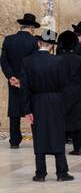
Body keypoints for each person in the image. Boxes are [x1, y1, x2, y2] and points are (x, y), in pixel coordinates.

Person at [19, 29, 73, 181]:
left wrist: (27, 109)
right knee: (57, 134)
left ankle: (40, 173)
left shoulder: (27, 61)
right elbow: (65, 85)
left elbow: (24, 88)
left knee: (39, 135)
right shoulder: (59, 60)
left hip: (36, 101)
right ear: (51, 46)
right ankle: (62, 173)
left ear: (38, 43)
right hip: (56, 101)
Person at [2, 12, 40, 148]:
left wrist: (11, 76)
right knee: (33, 109)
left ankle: (14, 141)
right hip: (29, 81)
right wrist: (24, 80)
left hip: (13, 80)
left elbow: (4, 61)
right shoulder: (35, 41)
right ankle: (38, 138)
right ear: (32, 28)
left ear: (21, 26)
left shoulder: (8, 39)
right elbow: (35, 62)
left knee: (14, 110)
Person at [54, 31, 81, 156]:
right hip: (76, 91)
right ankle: (78, 147)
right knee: (77, 119)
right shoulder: (79, 59)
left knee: (60, 118)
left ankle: (59, 144)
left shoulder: (56, 59)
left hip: (61, 91)